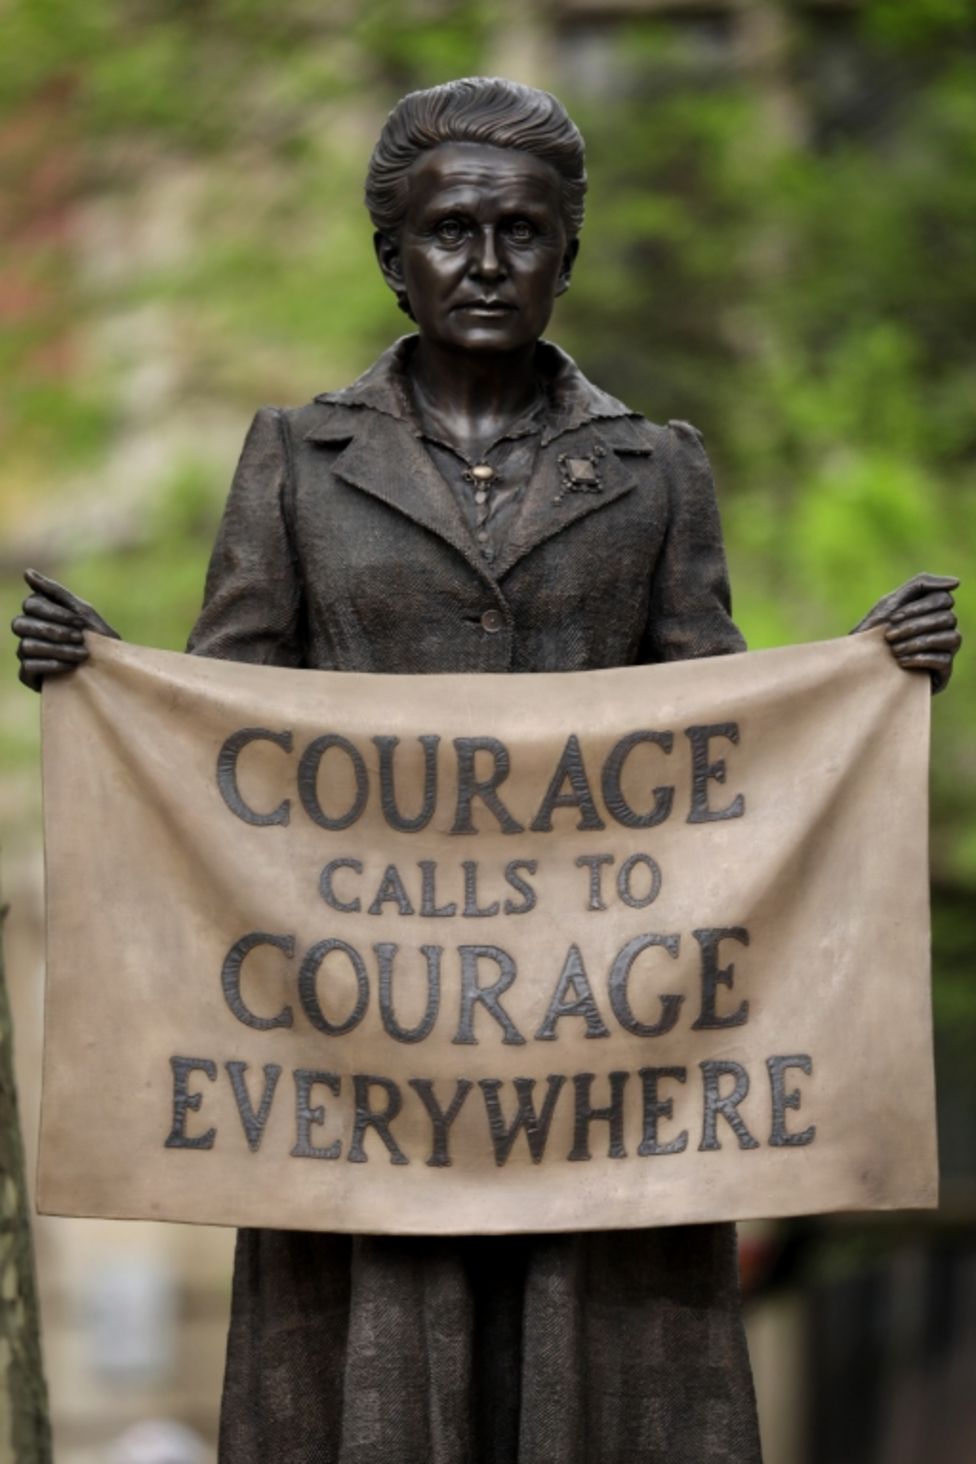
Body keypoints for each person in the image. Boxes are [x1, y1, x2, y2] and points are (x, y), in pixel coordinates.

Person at [13, 78, 960, 1464]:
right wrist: (108, 683)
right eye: (451, 232)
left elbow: (731, 750)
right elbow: (222, 735)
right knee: (381, 1391)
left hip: (604, 1071)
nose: (487, 263)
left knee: (600, 1386)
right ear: (392, 257)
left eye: (523, 232)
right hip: (361, 1074)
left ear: (567, 251)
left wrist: (867, 677)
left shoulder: (655, 469)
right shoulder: (295, 461)